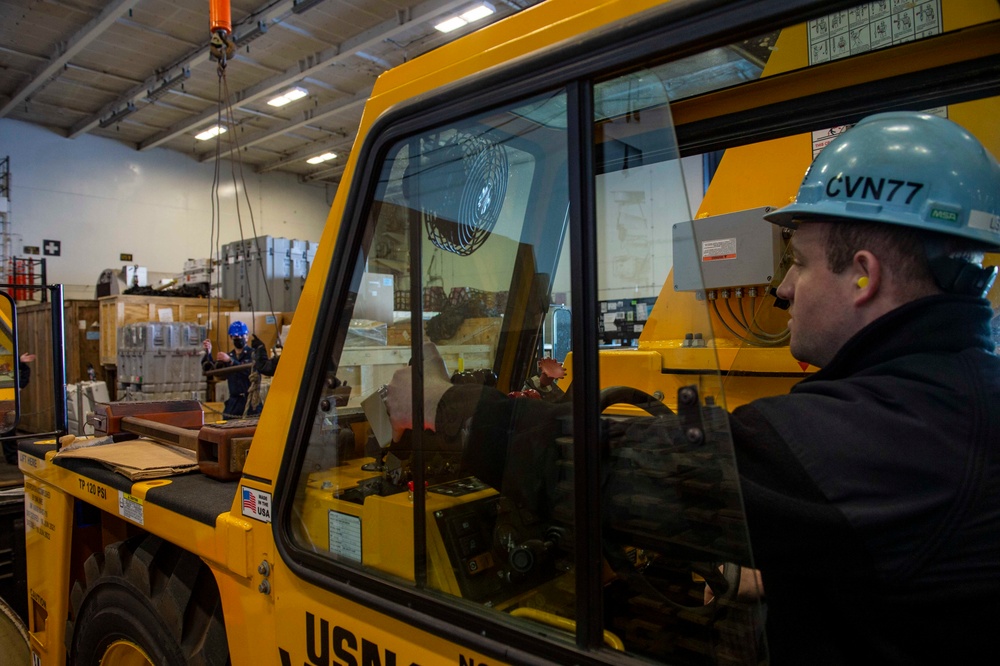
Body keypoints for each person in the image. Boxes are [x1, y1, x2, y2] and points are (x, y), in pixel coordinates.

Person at [385, 112, 1000, 663]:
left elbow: (614, 470)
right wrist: (793, 567)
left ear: (863, 276)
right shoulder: (959, 396)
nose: (782, 289)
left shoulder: (888, 430)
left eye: (801, 262)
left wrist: (442, 404)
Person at [203, 321, 260, 419]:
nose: (239, 339)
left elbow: (250, 372)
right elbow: (215, 373)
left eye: (242, 336)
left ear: (247, 336)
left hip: (250, 401)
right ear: (231, 338)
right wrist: (208, 354)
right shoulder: (230, 355)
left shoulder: (254, 354)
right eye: (236, 337)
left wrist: (231, 361)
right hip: (234, 401)